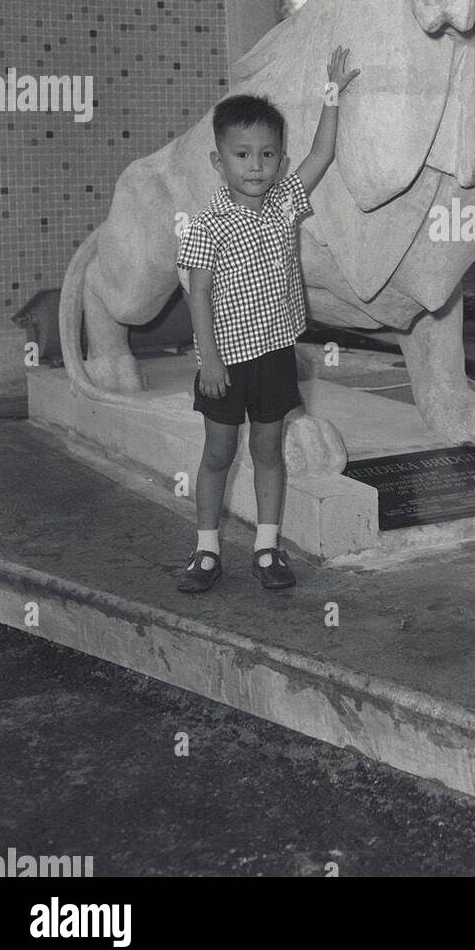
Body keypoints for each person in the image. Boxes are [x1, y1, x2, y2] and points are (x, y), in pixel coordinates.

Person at [175, 46, 360, 594]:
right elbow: (198, 294)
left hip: (275, 353)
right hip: (223, 361)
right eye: (241, 155)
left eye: (266, 155)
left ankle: (267, 547)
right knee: (218, 452)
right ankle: (206, 551)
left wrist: (332, 93)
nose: (254, 166)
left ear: (280, 161)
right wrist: (209, 358)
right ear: (219, 160)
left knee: (267, 451)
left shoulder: (284, 202)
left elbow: (323, 152)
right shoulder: (207, 225)